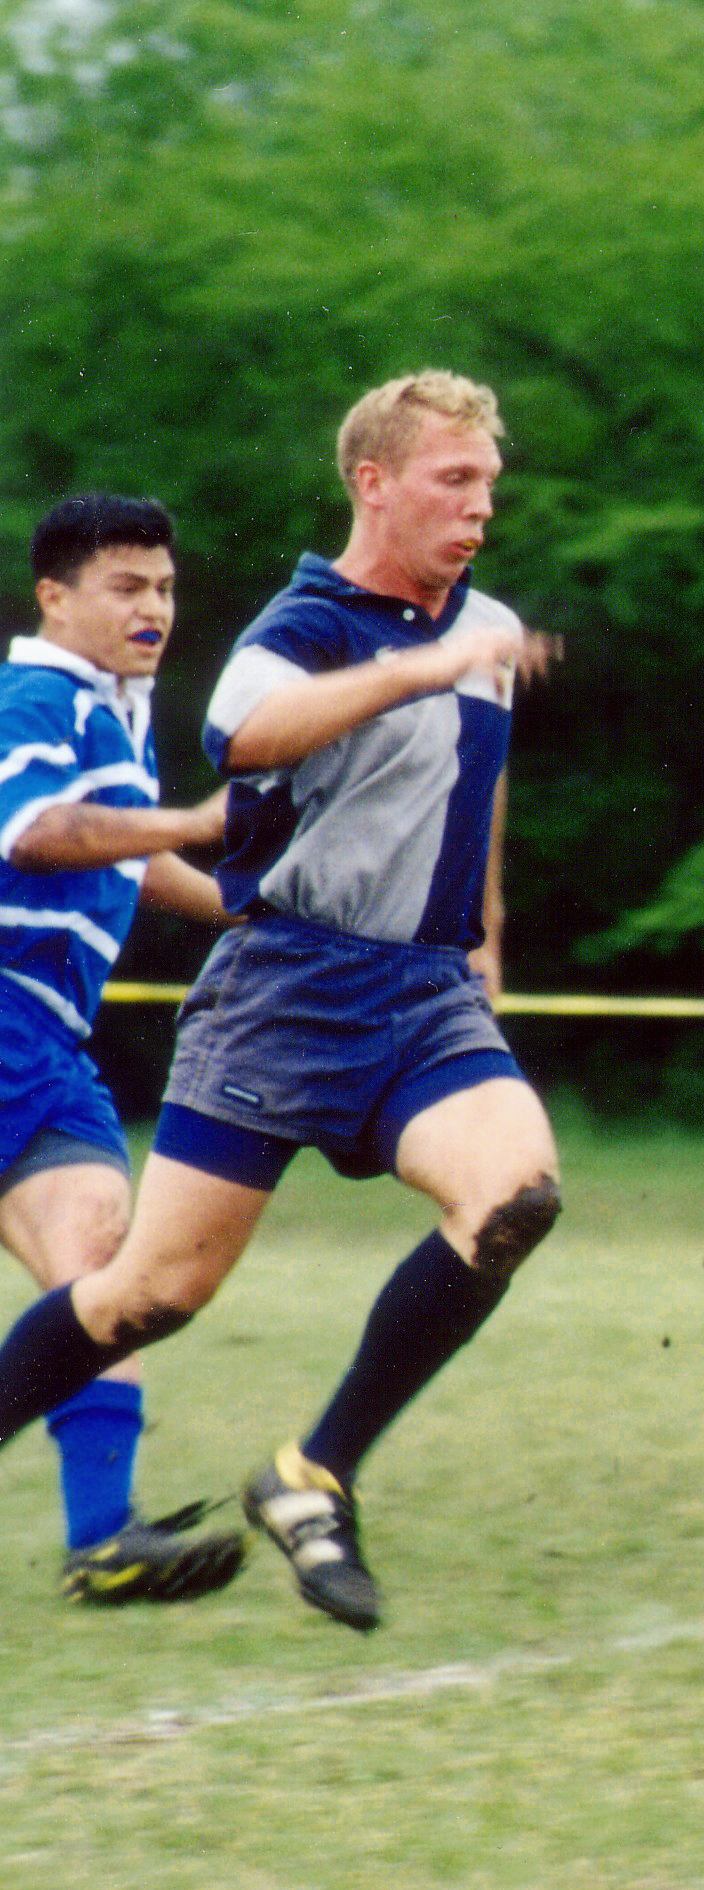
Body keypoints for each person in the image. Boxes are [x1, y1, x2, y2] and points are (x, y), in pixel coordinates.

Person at [0, 370, 561, 1632]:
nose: (477, 510)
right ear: (374, 483)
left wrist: (485, 937)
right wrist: (420, 667)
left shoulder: (486, 630)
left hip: (421, 991)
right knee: (148, 1293)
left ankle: (313, 1476)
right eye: (451, 482)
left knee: (516, 1195)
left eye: (487, 485)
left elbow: (483, 787)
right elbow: (243, 735)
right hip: (287, 992)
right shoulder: (301, 627)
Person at [0, 495, 247, 1603]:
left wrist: (250, 915)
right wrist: (194, 822)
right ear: (55, 598)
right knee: (104, 1266)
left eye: (164, 587)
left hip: (43, 1041)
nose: (155, 609)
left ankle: (104, 1539)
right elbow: (44, 832)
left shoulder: (122, 708)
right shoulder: (35, 696)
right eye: (126, 588)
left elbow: (136, 853)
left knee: (104, 1264)